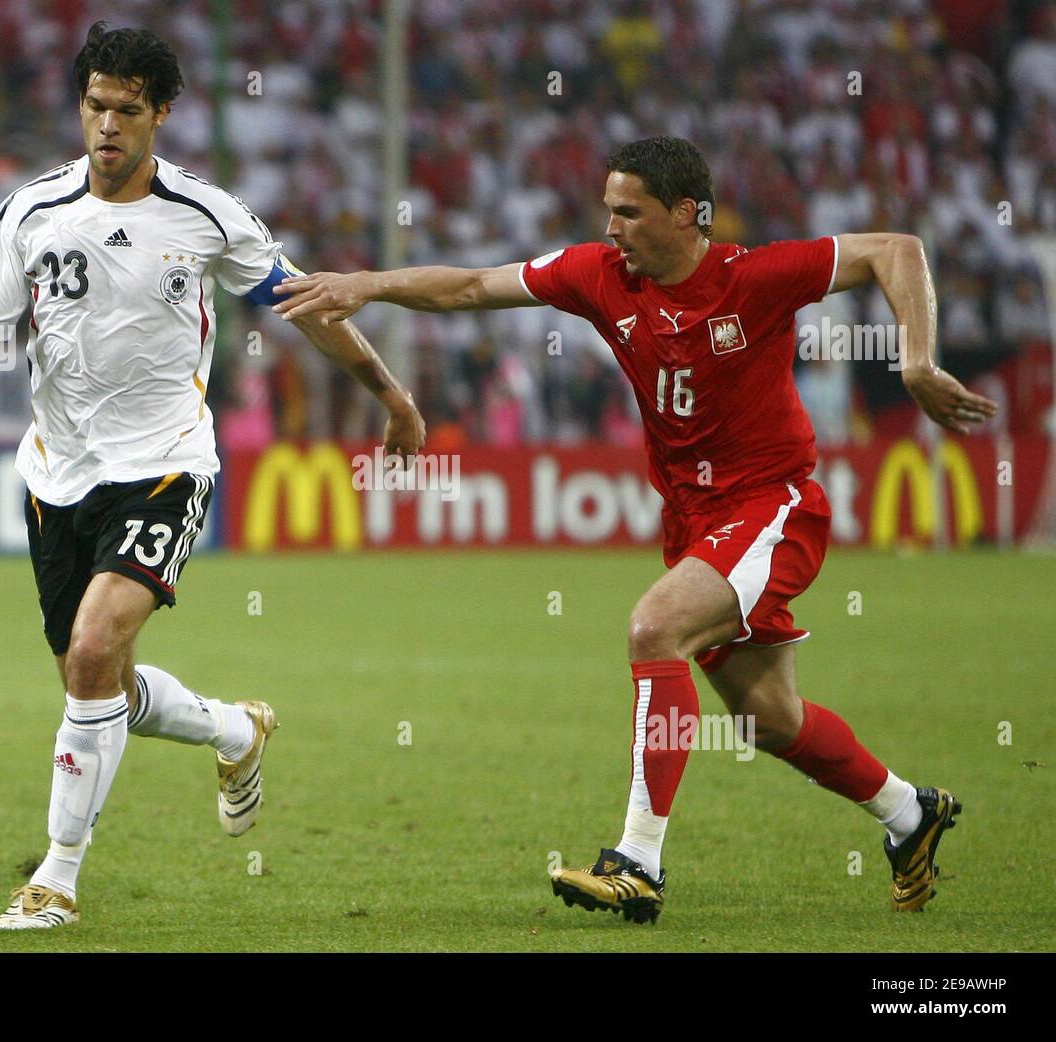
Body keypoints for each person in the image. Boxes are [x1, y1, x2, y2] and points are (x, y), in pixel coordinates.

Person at [273, 136, 995, 923]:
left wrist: (917, 361)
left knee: (654, 628)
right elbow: (473, 286)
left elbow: (897, 249)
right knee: (766, 718)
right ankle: (908, 814)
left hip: (772, 509)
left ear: (686, 215)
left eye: (628, 210)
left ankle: (637, 862)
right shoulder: (600, 276)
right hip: (693, 522)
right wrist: (367, 285)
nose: (611, 227)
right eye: (607, 209)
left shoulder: (755, 278)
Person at [0, 21, 425, 930]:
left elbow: (309, 307)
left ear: (161, 114)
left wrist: (389, 392)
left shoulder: (208, 216)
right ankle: (235, 730)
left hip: (165, 464)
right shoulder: (31, 210)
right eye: (94, 107)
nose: (108, 127)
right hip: (56, 475)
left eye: (127, 110)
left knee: (90, 653)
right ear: (78, 108)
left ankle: (57, 878)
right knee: (100, 683)